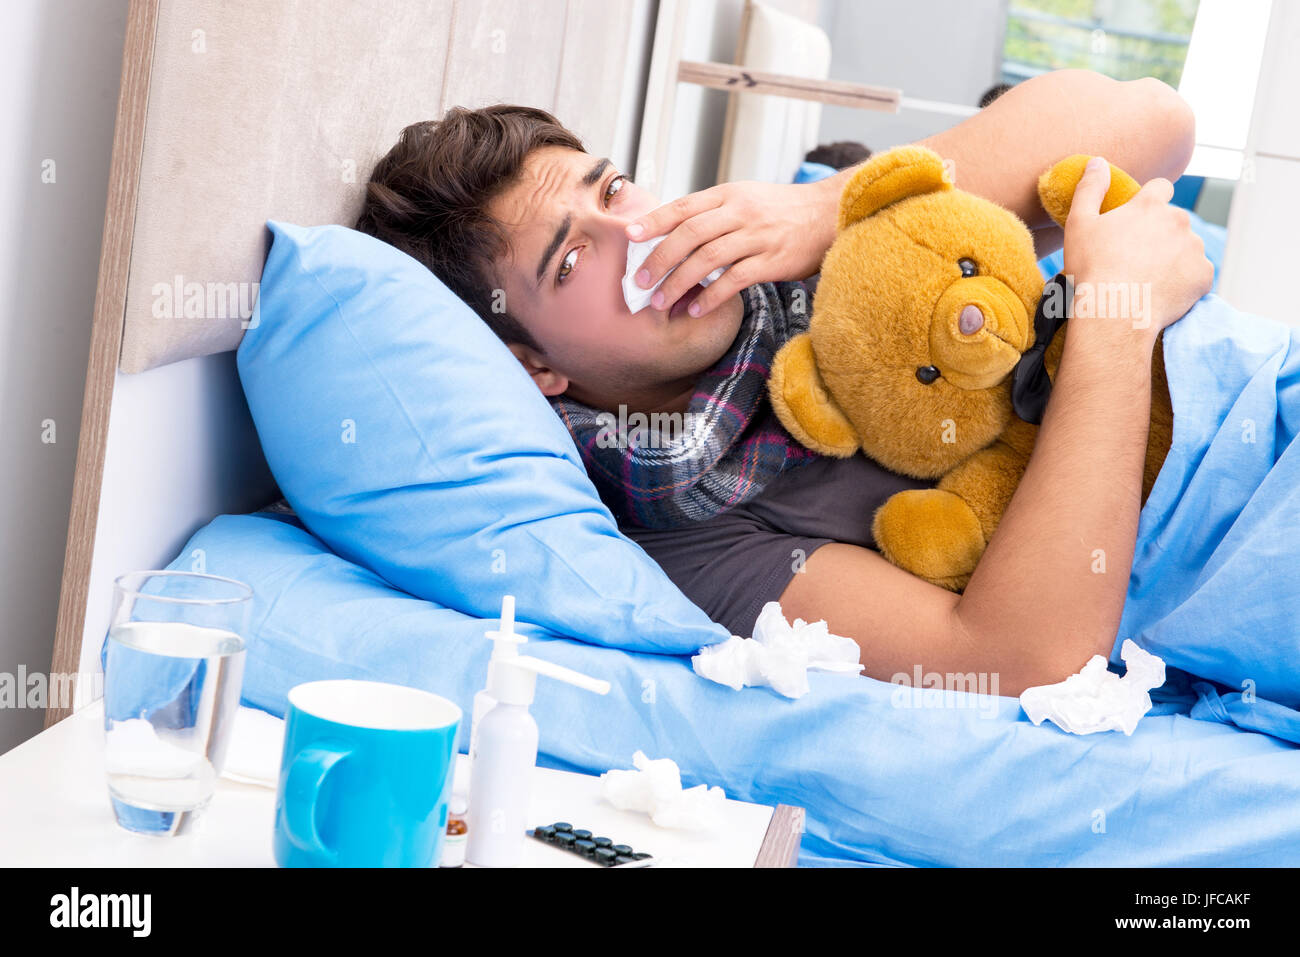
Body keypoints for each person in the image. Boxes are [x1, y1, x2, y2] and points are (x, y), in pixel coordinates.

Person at [355, 69, 1212, 695]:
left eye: (614, 188)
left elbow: (1155, 118)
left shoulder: (814, 239)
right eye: (575, 257)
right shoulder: (694, 539)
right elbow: (1023, 659)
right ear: (532, 363)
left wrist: (821, 210)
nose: (642, 237)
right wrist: (1113, 322)